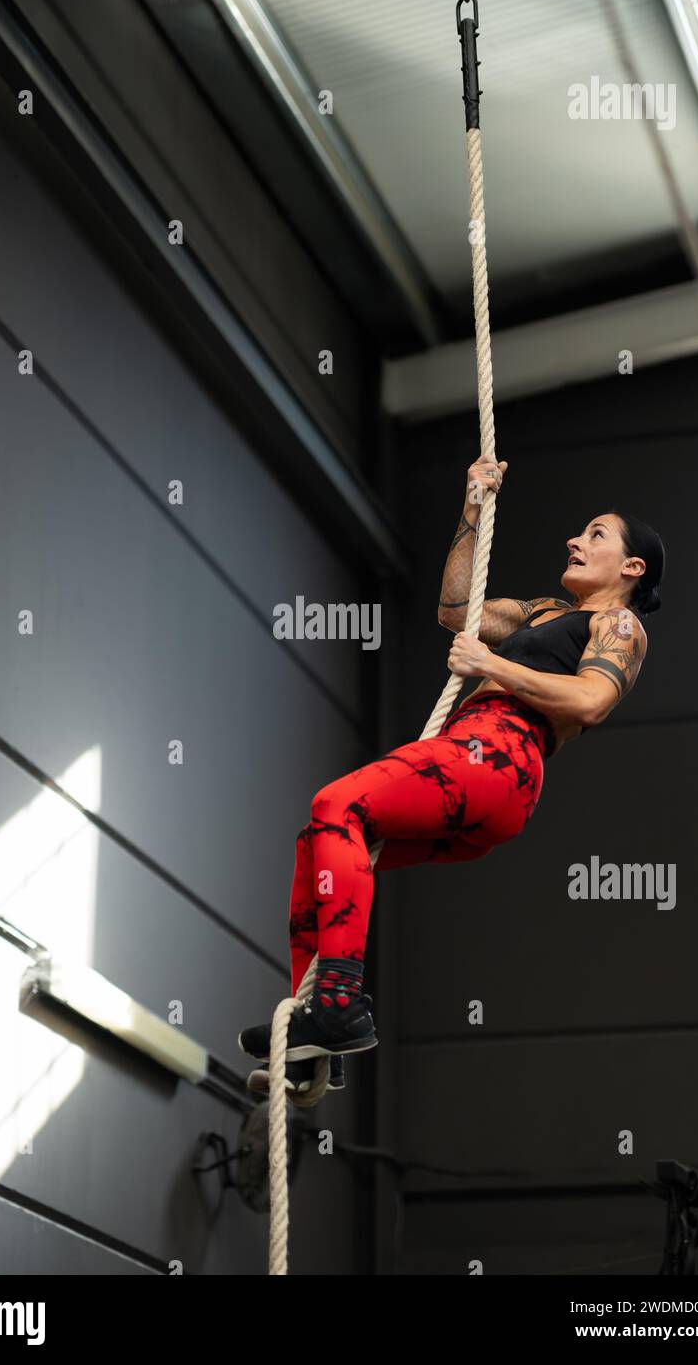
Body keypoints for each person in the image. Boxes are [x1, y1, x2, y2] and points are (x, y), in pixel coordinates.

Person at [238, 457, 665, 1085]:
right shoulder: (544, 611)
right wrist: (472, 507)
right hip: (479, 773)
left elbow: (590, 700)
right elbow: (457, 609)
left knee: (337, 804)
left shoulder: (618, 623)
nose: (575, 540)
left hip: (498, 754)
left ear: (632, 568)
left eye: (596, 534)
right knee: (318, 842)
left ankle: (337, 1004)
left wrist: (491, 664)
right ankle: (315, 1031)